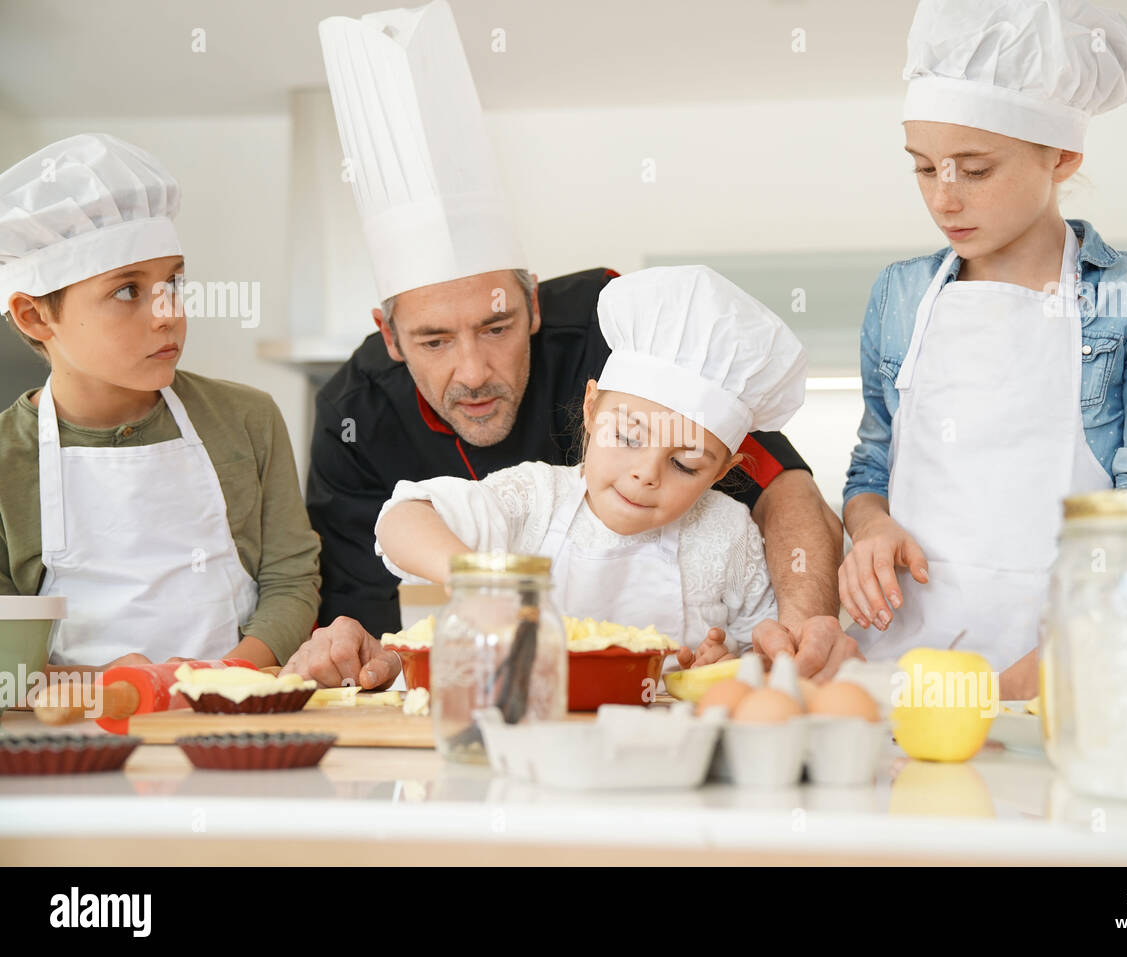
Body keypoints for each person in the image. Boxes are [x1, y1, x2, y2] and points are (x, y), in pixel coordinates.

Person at [286, 1, 855, 690]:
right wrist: (361, 650)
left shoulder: (617, 334)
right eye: (434, 339)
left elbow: (782, 487)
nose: (473, 370)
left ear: (531, 304)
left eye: (495, 326)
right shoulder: (356, 416)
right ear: (390, 336)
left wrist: (796, 632)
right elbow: (371, 609)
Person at [840, 0, 1127, 696]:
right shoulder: (899, 295)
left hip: (1074, 667)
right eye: (924, 168)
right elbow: (870, 468)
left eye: (975, 170)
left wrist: (1063, 659)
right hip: (902, 666)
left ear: (1063, 155)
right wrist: (869, 529)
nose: (944, 199)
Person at [375, 265, 806, 671]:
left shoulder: (730, 533)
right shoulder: (534, 497)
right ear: (591, 407)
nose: (646, 473)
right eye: (628, 438)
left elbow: (764, 649)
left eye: (684, 464)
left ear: (719, 472)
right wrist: (473, 579)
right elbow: (403, 517)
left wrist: (731, 662)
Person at [0, 133, 321, 669]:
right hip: (75, 735)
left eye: (173, 280)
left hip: (232, 720)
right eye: (127, 290)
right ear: (35, 316)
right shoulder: (7, 457)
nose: (166, 312)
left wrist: (222, 681)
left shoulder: (247, 419)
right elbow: (10, 657)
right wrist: (122, 690)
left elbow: (290, 578)